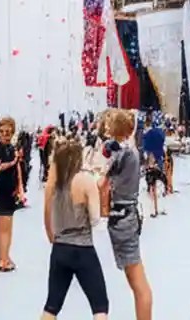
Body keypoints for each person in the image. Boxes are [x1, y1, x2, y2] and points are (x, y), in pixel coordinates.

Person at [42, 138, 109, 319]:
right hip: (83, 249)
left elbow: (46, 215)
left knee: (52, 305)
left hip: (59, 248)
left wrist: (52, 237)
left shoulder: (53, 185)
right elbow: (96, 220)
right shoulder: (85, 181)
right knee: (100, 305)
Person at [101, 109, 153, 320]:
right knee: (136, 282)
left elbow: (101, 183)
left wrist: (103, 209)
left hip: (121, 217)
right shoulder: (129, 152)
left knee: (139, 284)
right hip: (128, 214)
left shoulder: (123, 154)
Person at [0, 116, 23, 273]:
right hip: (1, 190)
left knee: (7, 226)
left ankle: (5, 256)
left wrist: (20, 188)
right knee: (3, 225)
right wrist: (11, 162)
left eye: (8, 132)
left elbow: (17, 171)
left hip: (10, 190)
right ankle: (2, 258)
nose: (4, 135)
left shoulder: (12, 148)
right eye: (2, 132)